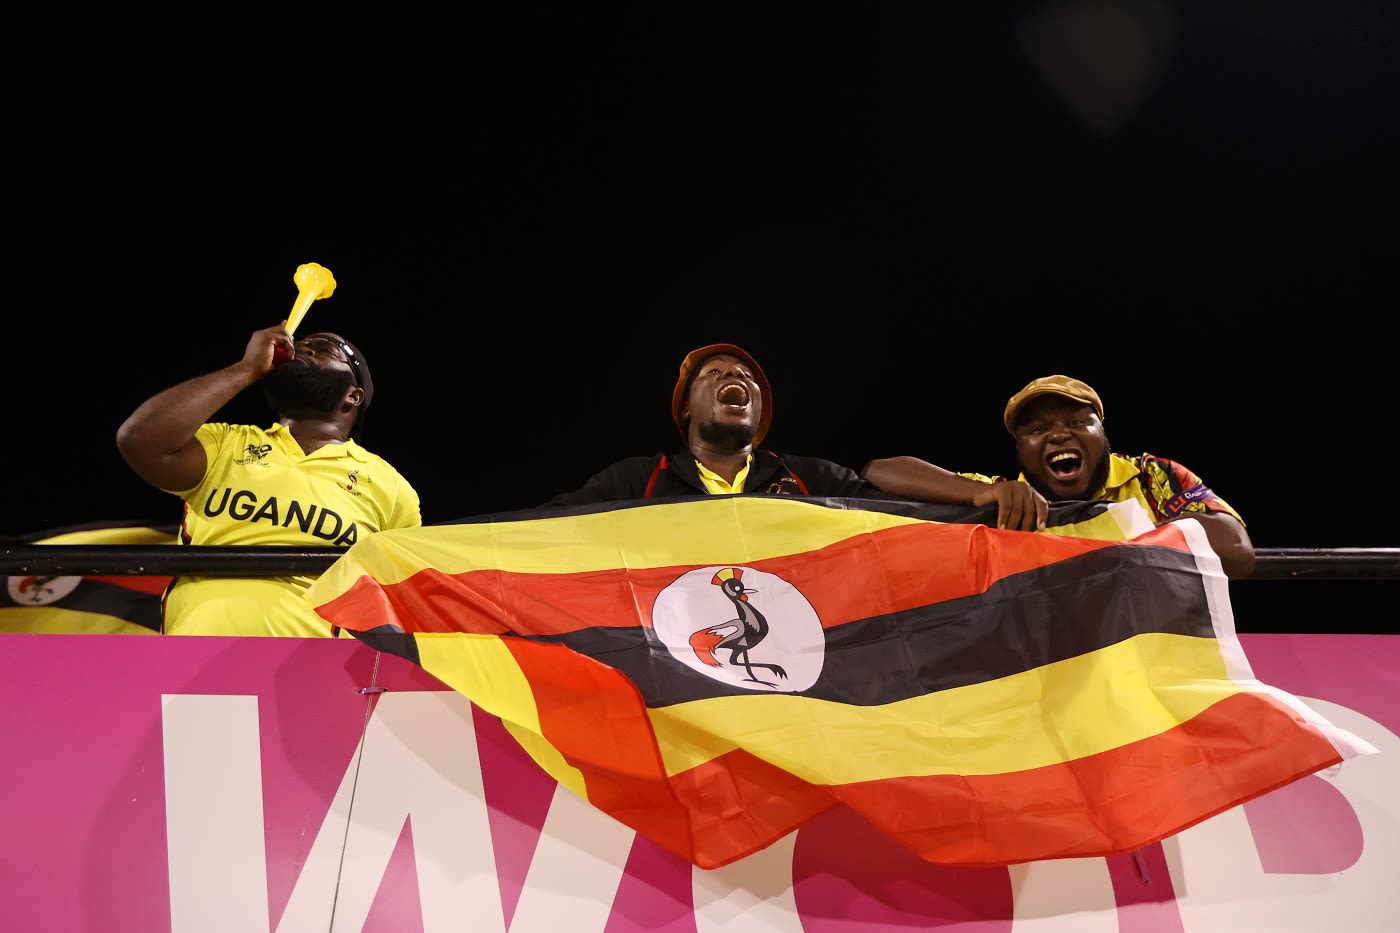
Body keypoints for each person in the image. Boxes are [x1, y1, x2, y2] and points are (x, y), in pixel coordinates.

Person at [115, 323, 422, 636]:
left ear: (353, 396)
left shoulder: (391, 488)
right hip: (195, 661)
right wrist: (246, 369)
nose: (303, 348)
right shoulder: (226, 444)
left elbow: (406, 598)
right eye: (300, 345)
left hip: (317, 673)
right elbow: (140, 440)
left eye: (325, 349)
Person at [859, 374, 1256, 579]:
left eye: (1077, 422)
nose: (1057, 434)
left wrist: (1111, 527)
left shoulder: (1151, 476)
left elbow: (1237, 551)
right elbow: (880, 472)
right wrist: (976, 494)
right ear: (1020, 450)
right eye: (1036, 430)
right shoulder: (1005, 497)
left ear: (1103, 433)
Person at [544, 342, 902, 504]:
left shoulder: (813, 480)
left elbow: (901, 508)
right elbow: (540, 532)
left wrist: (961, 492)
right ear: (685, 409)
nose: (735, 374)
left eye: (747, 375)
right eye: (714, 372)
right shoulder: (636, 483)